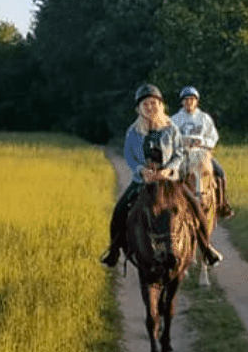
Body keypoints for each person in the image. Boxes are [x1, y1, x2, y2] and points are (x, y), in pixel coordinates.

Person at [100, 83, 224, 268]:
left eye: (153, 103)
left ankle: (207, 248)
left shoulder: (171, 128)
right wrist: (141, 170)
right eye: (145, 104)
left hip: (169, 181)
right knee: (119, 210)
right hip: (144, 180)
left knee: (195, 206)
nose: (149, 107)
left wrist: (169, 170)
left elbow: (179, 153)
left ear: (160, 104)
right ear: (139, 108)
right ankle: (114, 251)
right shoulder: (133, 132)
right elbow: (130, 156)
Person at [170, 86, 234, 218]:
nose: (189, 102)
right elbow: (169, 138)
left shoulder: (204, 118)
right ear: (182, 102)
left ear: (197, 101)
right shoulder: (174, 120)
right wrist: (182, 142)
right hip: (181, 154)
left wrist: (203, 143)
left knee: (220, 173)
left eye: (192, 99)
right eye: (186, 100)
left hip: (201, 153)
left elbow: (213, 137)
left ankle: (222, 204)